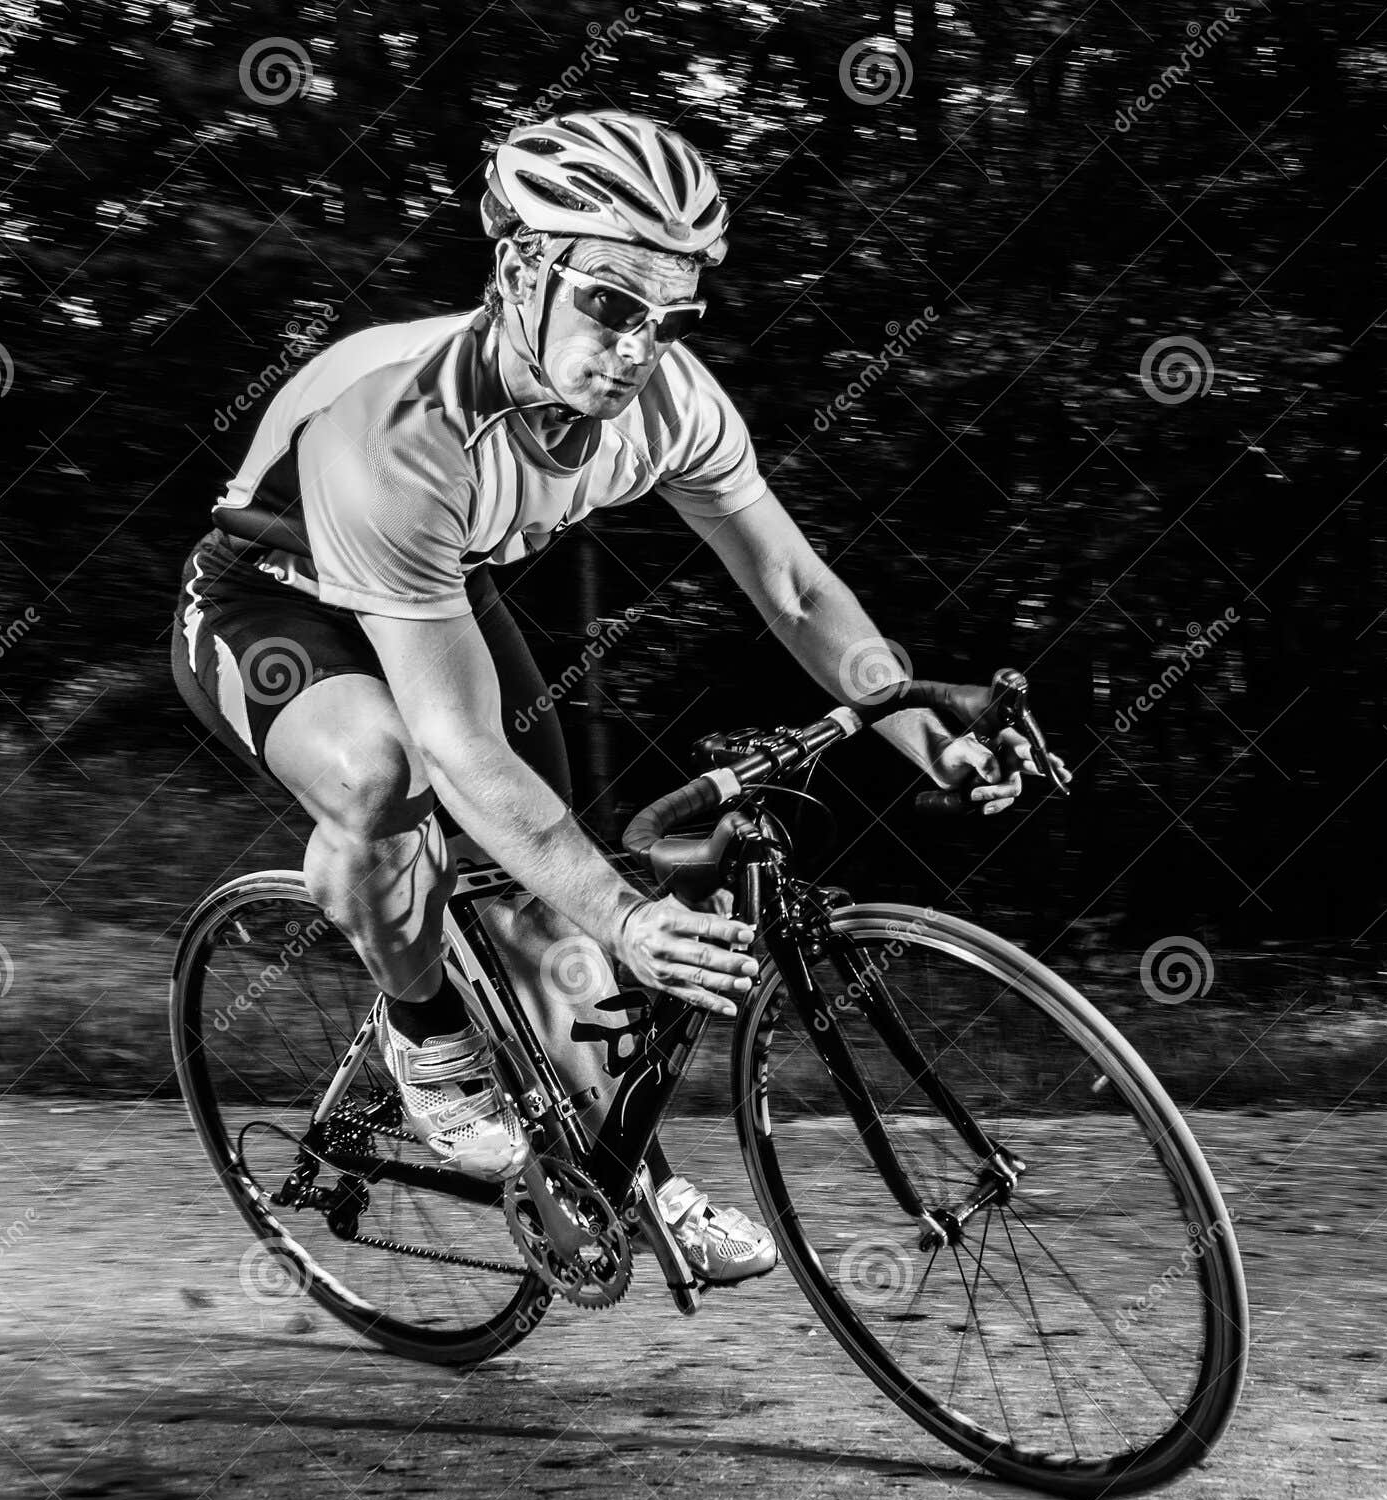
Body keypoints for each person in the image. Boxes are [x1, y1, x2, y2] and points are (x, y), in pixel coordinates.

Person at [171, 110, 1043, 1286]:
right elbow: (457, 739)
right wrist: (629, 921)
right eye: (612, 305)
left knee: (543, 878)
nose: (640, 348)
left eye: (671, 316)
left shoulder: (670, 404)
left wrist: (904, 718)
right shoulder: (399, 428)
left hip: (433, 585)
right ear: (519, 268)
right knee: (391, 774)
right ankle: (424, 1039)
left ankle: (627, 1173)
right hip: (269, 600)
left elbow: (788, 584)